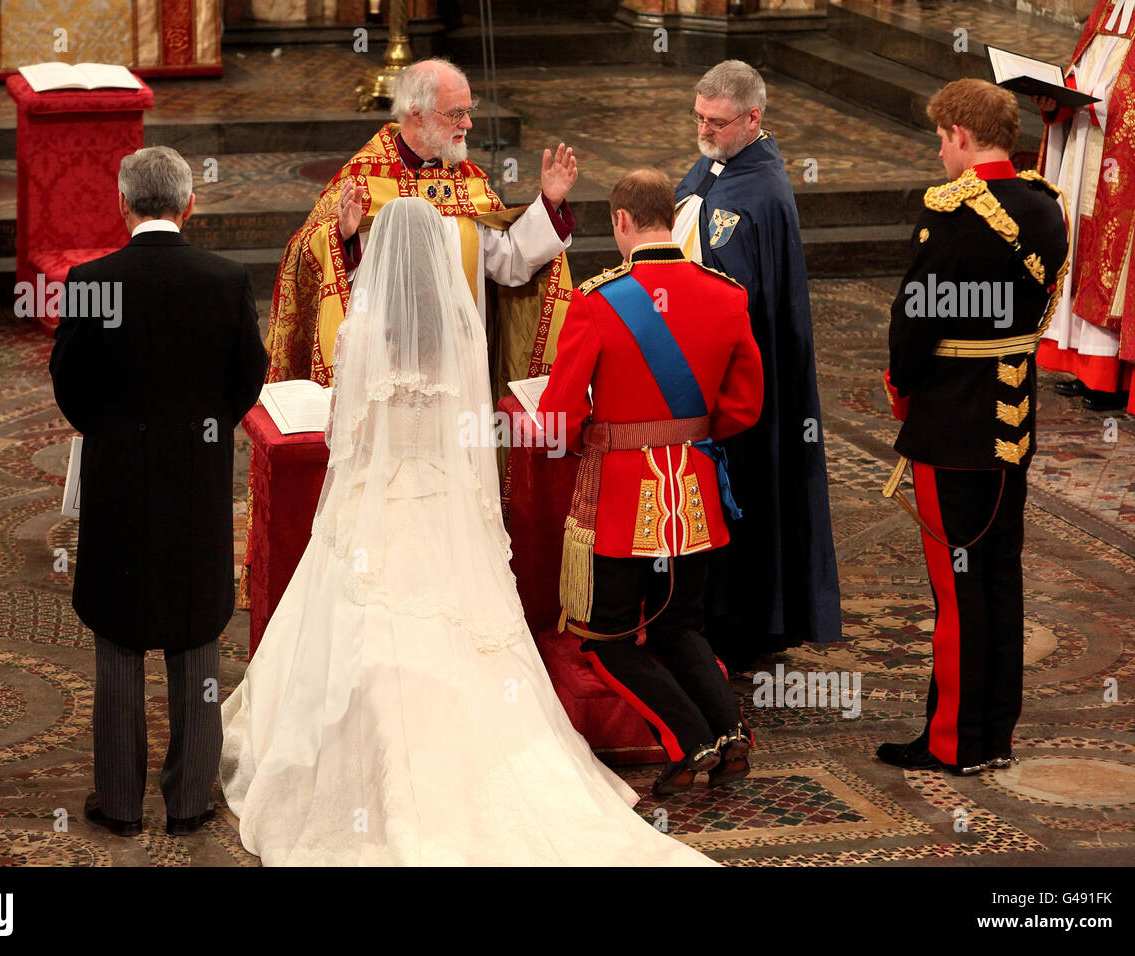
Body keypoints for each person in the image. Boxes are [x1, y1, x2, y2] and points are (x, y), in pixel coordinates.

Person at [220, 197, 714, 866]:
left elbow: (348, 442)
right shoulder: (461, 336)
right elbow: (474, 443)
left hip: (376, 507)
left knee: (366, 640)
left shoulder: (360, 335)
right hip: (447, 508)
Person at [243, 56, 579, 606]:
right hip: (388, 379)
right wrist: (344, 240)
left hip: (458, 378)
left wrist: (550, 206)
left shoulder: (465, 182)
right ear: (417, 114)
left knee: (455, 495)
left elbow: (511, 264)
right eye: (457, 114)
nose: (468, 125)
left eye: (469, 113)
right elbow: (309, 264)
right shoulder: (362, 180)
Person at [50, 146, 268, 836]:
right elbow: (247, 380)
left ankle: (118, 803)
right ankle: (188, 800)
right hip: (198, 487)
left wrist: (115, 434)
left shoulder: (91, 281)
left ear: (123, 204)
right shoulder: (226, 279)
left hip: (116, 486)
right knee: (196, 639)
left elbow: (69, 387)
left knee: (117, 641)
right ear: (189, 204)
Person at [539, 169, 764, 796]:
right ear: (673, 214)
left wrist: (593, 432)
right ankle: (732, 732)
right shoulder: (726, 294)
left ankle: (692, 740)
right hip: (694, 491)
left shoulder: (597, 298)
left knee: (606, 639)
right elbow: (745, 406)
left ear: (621, 222)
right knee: (679, 627)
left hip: (620, 500)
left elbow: (558, 417)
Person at [878, 80, 1069, 775]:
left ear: (960, 132)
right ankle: (994, 734)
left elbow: (914, 323)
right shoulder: (1047, 206)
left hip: (953, 427)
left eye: (940, 136)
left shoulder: (952, 213)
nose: (938, 150)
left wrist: (901, 391)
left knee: (957, 591)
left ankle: (953, 743)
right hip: (1012, 421)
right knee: (998, 581)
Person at [672, 60, 840, 665]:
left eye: (717, 122)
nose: (706, 130)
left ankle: (748, 625)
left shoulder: (762, 190)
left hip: (746, 375)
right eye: (699, 118)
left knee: (750, 489)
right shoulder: (714, 166)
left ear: (753, 118)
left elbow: (743, 291)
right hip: (700, 362)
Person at [1032, 0, 1135, 431]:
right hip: (1087, 145)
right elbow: (1085, 70)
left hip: (1134, 163)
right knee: (1082, 256)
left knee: (1119, 270)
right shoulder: (1107, 9)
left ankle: (1115, 377)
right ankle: (1091, 370)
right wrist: (1059, 96)